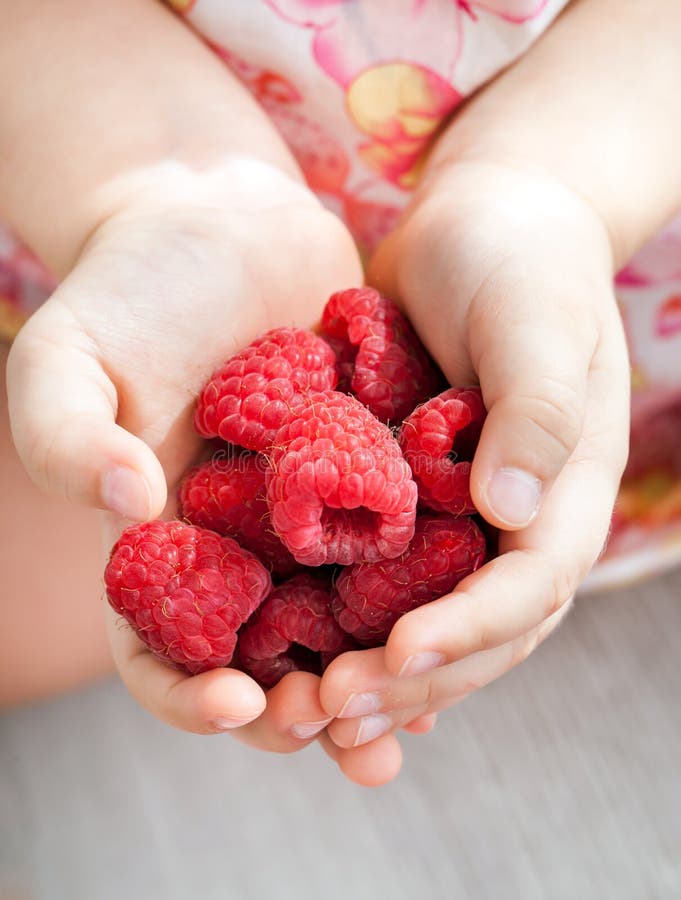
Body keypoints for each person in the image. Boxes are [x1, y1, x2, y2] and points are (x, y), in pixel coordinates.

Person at [1, 0, 680, 787]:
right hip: (96, 156)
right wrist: (154, 189)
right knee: (75, 557)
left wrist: (546, 193)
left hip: (593, 214)